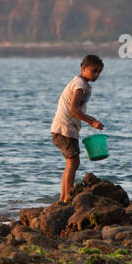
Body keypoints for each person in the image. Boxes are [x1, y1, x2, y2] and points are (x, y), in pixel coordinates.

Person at [50, 54, 105, 203]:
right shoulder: (79, 85)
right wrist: (91, 121)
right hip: (64, 129)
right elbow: (73, 109)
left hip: (65, 128)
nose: (97, 75)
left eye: (99, 72)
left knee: (72, 162)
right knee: (73, 162)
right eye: (94, 71)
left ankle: (63, 197)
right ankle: (66, 196)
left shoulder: (83, 84)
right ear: (83, 68)